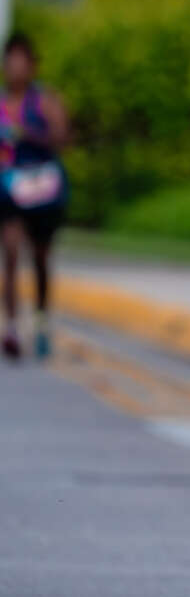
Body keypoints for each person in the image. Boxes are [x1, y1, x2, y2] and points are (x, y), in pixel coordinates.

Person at [1, 31, 70, 362]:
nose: (15, 68)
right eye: (10, 61)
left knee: (40, 257)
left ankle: (41, 320)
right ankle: (12, 327)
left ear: (31, 66)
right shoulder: (2, 103)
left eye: (21, 62)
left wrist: (29, 134)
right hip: (9, 190)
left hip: (41, 190)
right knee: (11, 252)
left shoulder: (44, 101)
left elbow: (62, 137)